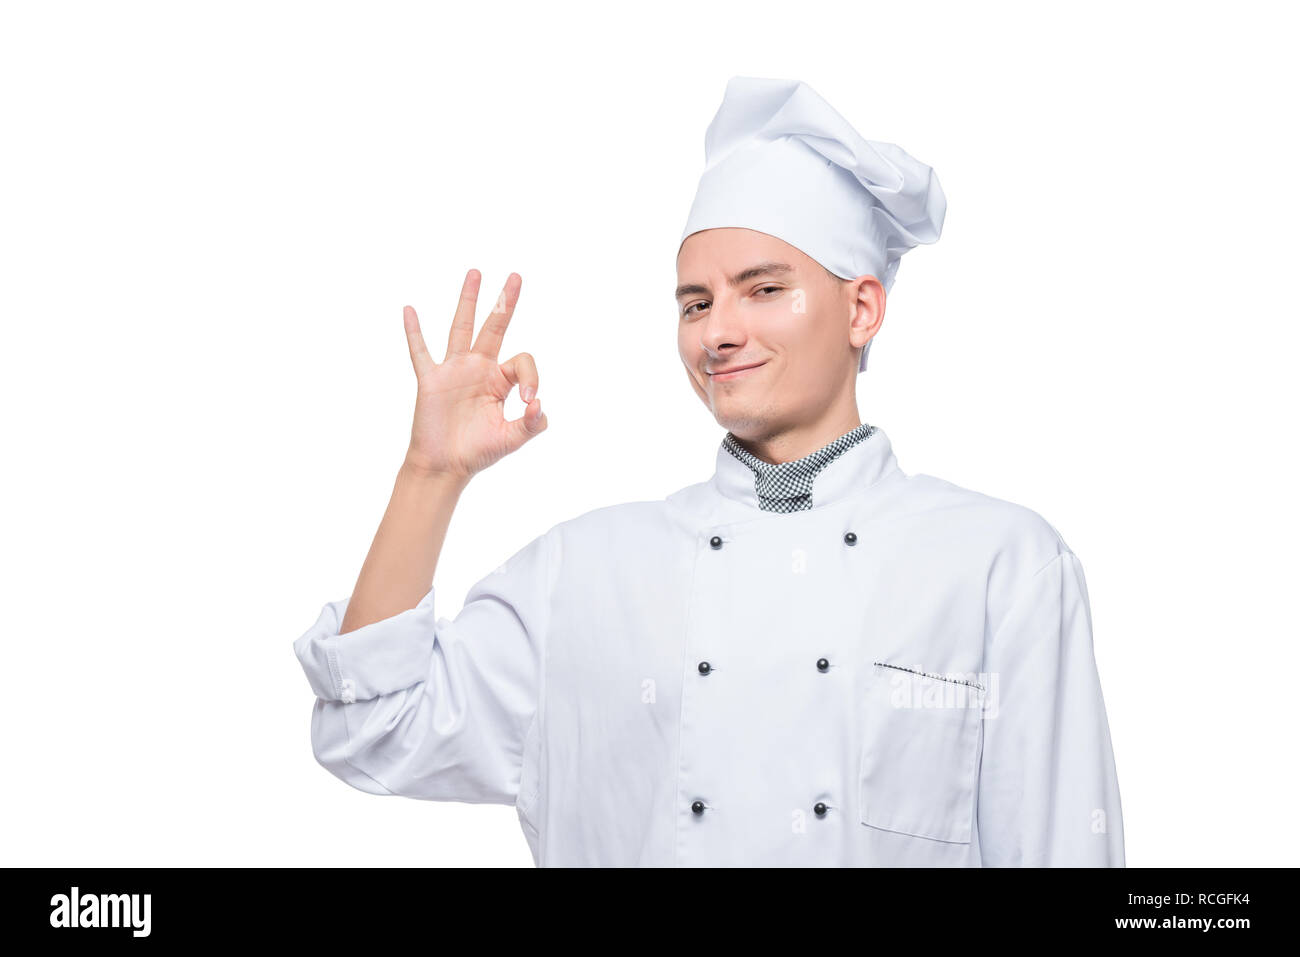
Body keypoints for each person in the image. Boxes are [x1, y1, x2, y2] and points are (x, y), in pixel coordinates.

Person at [293, 76, 1125, 867]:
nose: (717, 331)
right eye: (695, 302)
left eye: (763, 289)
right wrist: (429, 473)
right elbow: (372, 727)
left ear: (862, 309)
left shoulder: (998, 565)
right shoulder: (585, 573)